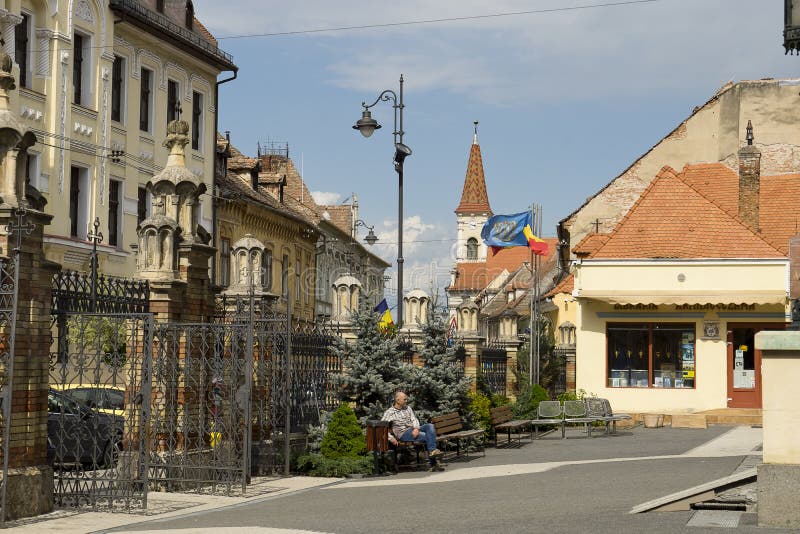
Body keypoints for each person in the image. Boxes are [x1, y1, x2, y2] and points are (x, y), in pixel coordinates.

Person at [382, 391, 444, 471]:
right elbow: (382, 428)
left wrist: (416, 428)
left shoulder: (407, 408)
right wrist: (391, 438)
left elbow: (414, 419)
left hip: (413, 429)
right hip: (403, 433)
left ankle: (432, 452)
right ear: (397, 400)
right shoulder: (390, 412)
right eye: (404, 399)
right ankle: (434, 462)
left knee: (430, 426)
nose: (406, 401)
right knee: (428, 436)